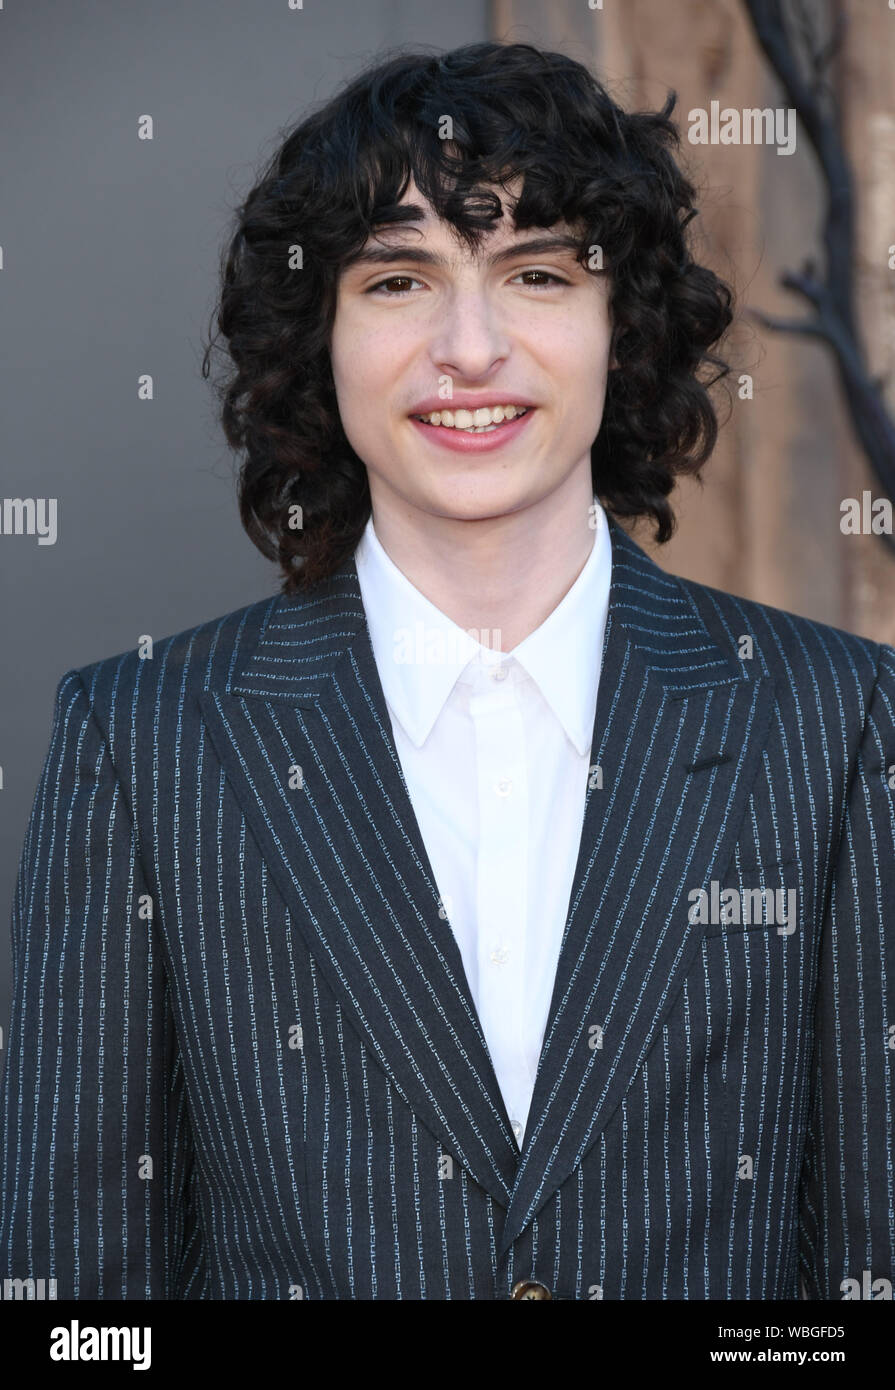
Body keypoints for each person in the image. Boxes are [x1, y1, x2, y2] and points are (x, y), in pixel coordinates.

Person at [1, 41, 893, 1302]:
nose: (468, 348)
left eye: (534, 272)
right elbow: (73, 1315)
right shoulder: (140, 742)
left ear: (618, 327)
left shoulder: (835, 720)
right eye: (399, 280)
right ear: (319, 338)